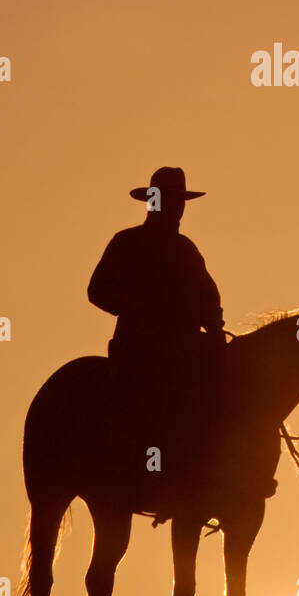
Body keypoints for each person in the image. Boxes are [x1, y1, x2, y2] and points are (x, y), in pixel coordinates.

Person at [88, 166, 227, 500]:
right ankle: (141, 469)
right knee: (145, 401)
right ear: (154, 202)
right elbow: (97, 290)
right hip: (138, 348)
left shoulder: (187, 250)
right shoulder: (127, 242)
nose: (177, 208)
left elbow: (209, 297)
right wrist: (141, 309)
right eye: (171, 200)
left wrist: (215, 328)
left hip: (185, 349)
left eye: (180, 202)